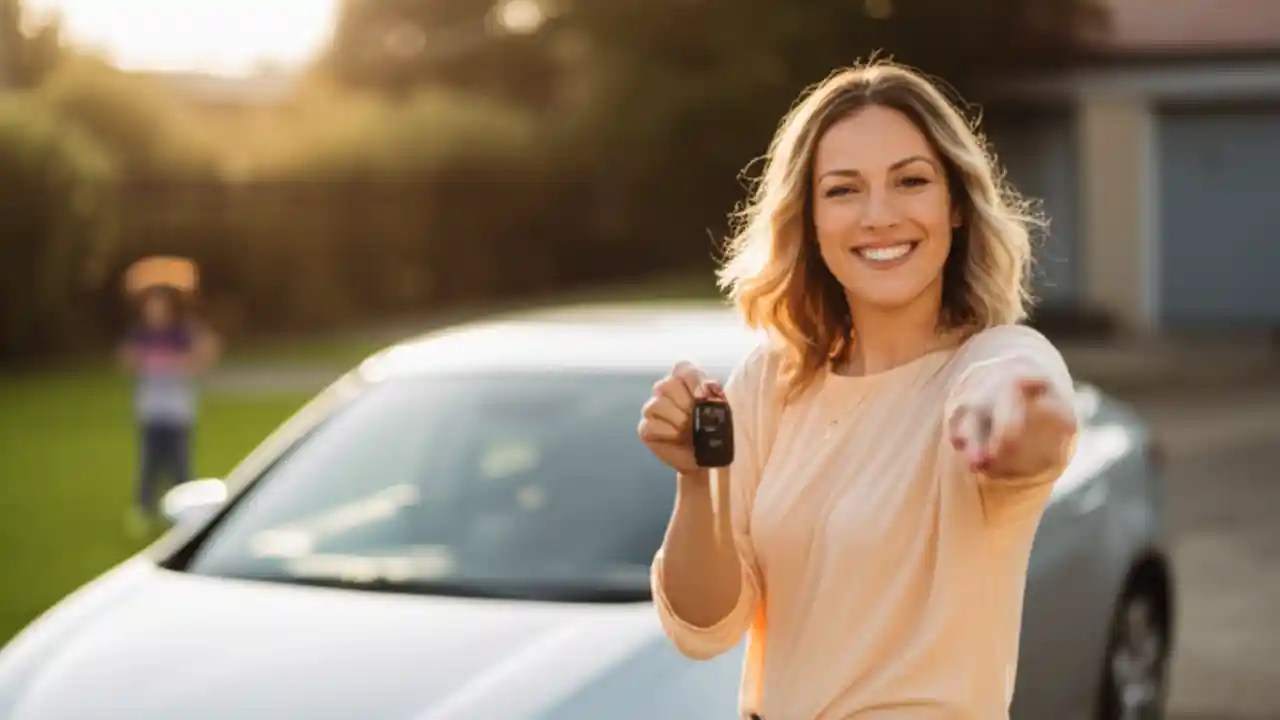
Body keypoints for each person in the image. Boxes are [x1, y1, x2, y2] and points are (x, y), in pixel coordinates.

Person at [637, 60, 1079, 719]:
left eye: (911, 181)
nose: (879, 215)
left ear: (954, 204)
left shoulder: (995, 360)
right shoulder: (770, 382)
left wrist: (1018, 424)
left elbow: (1025, 412)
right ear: (810, 219)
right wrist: (697, 480)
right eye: (844, 190)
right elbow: (706, 629)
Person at [117, 284, 220, 536]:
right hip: (150, 411)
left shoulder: (183, 333)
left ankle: (187, 514)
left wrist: (187, 358)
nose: (155, 312)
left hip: (178, 412)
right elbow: (125, 361)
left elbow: (208, 351)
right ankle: (143, 510)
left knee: (180, 466)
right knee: (149, 465)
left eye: (160, 306)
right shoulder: (141, 335)